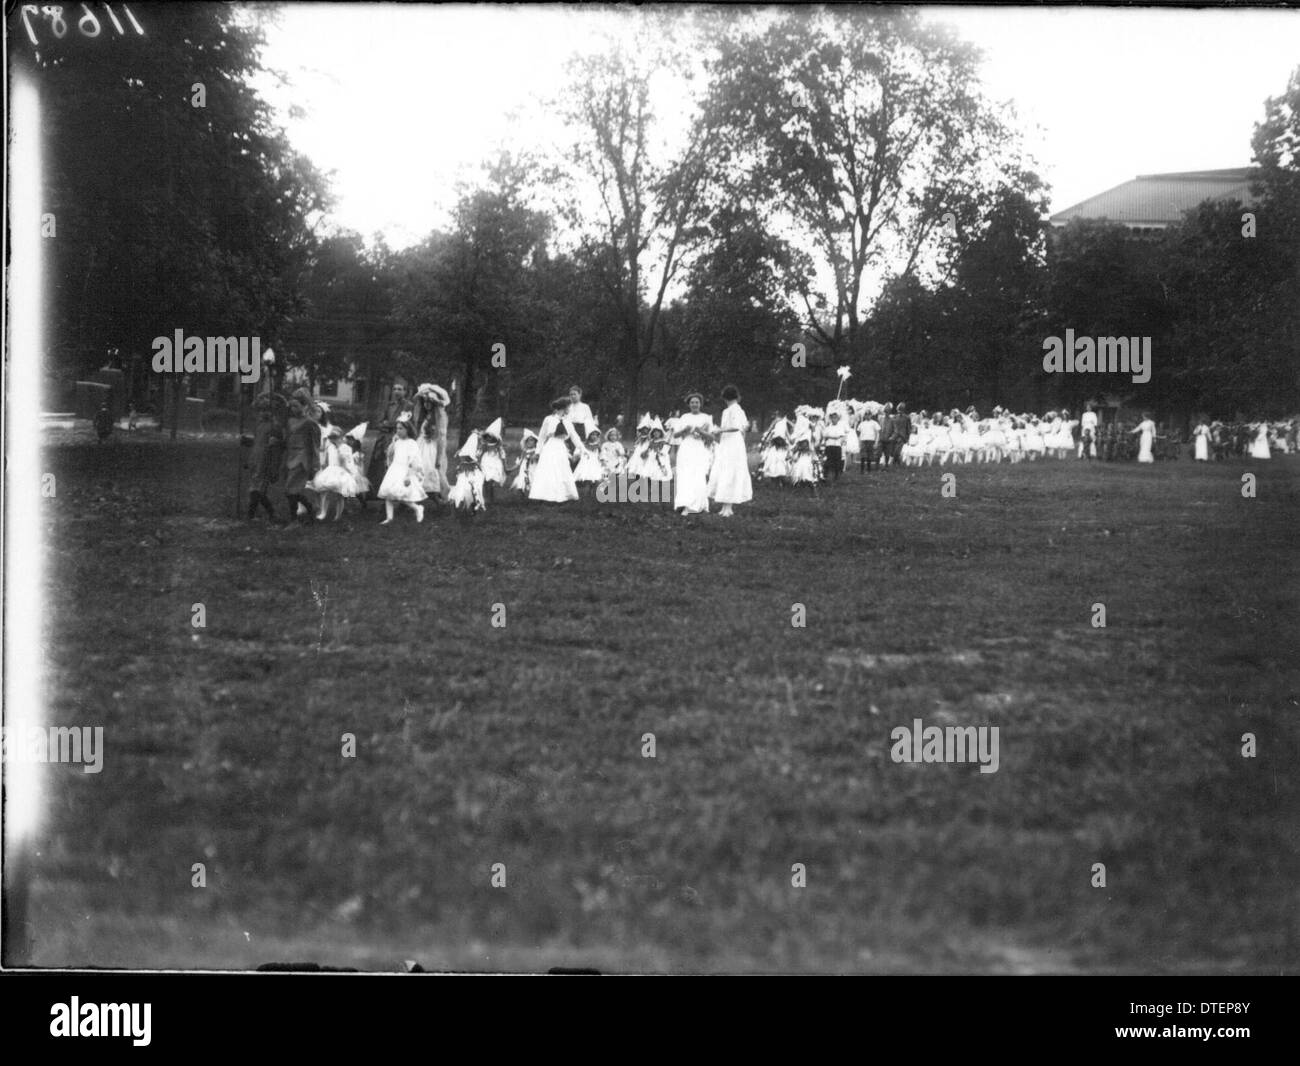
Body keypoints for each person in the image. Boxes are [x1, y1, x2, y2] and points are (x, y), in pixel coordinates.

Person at [707, 384, 753, 517]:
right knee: (726, 471)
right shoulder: (736, 410)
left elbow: (736, 427)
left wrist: (719, 430)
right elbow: (744, 427)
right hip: (730, 442)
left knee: (730, 471)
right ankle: (725, 506)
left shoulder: (733, 410)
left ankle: (728, 507)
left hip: (732, 442)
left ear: (724, 398)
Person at [367, 381, 414, 502]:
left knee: (394, 465)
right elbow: (378, 422)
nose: (397, 391)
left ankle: (395, 492)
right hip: (383, 438)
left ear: (405, 391)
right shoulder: (389, 405)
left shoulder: (408, 405)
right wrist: (387, 424)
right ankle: (378, 492)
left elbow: (405, 423)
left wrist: (388, 424)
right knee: (379, 465)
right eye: (395, 389)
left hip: (397, 438)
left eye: (400, 389)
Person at [530, 396, 582, 503]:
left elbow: (574, 437)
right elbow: (541, 437)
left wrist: (582, 449)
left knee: (561, 470)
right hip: (550, 447)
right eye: (568, 407)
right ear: (564, 407)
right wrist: (537, 452)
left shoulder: (568, 422)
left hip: (561, 448)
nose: (570, 409)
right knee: (549, 470)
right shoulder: (548, 419)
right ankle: (546, 495)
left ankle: (561, 495)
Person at [245, 393, 286, 521]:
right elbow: (257, 442)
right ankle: (259, 514)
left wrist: (274, 466)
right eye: (261, 410)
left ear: (273, 411)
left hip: (266, 461)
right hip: (256, 460)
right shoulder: (259, 425)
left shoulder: (275, 427)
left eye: (267, 410)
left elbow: (279, 447)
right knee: (254, 488)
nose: (263, 413)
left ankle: (261, 514)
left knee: (258, 489)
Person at [377, 417, 427, 523]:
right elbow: (390, 455)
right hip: (395, 469)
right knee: (388, 493)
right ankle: (389, 517)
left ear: (407, 429)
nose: (398, 431)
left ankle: (418, 508)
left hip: (404, 471)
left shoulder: (412, 443)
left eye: (400, 429)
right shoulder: (397, 442)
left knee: (401, 495)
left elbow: (412, 460)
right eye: (397, 429)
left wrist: (408, 475)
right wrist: (393, 442)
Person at [672, 392, 715, 515]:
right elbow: (675, 435)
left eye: (697, 402)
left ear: (700, 404)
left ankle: (698, 504)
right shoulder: (684, 417)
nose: (694, 404)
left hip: (699, 448)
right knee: (685, 475)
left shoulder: (706, 417)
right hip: (686, 447)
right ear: (689, 404)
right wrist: (684, 430)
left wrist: (701, 431)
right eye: (692, 402)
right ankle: (684, 503)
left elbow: (711, 437)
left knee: (698, 474)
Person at [284, 393, 322, 522]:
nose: (293, 409)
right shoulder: (290, 421)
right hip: (290, 458)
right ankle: (311, 510)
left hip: (302, 460)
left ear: (304, 406)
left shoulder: (310, 423)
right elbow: (287, 440)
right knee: (292, 491)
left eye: (296, 406)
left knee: (291, 490)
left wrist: (315, 464)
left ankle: (294, 520)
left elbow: (315, 445)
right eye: (291, 406)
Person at [310, 424, 356, 521]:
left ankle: (338, 515)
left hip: (340, 471)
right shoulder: (330, 447)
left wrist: (342, 457)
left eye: (336, 438)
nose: (333, 440)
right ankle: (323, 513)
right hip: (330, 470)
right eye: (332, 438)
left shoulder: (346, 448)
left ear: (341, 437)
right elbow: (326, 459)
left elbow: (348, 462)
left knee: (340, 496)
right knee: (325, 492)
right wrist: (323, 465)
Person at [448, 432, 487, 516]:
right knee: (464, 490)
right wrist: (475, 464)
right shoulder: (465, 452)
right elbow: (464, 462)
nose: (480, 441)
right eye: (479, 440)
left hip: (475, 473)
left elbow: (476, 460)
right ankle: (463, 509)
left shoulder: (478, 448)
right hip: (467, 473)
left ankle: (471, 509)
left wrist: (478, 465)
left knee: (475, 490)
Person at [478, 418, 507, 503]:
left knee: (491, 479)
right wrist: (478, 462)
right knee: (486, 479)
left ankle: (491, 498)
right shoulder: (485, 445)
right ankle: (487, 497)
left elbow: (502, 455)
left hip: (495, 462)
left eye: (491, 436)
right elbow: (479, 454)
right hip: (486, 461)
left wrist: (504, 465)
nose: (489, 438)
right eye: (487, 436)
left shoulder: (498, 446)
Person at [575, 428, 606, 500]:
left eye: (596, 435)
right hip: (585, 463)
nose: (594, 436)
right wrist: (577, 455)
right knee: (587, 479)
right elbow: (577, 452)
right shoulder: (583, 444)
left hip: (595, 464)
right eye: (592, 434)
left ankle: (594, 496)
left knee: (596, 479)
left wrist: (603, 461)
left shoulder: (598, 446)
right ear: (588, 435)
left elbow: (602, 455)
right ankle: (586, 496)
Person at [821, 408, 848, 480]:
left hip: (837, 445)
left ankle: (836, 475)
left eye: (835, 418)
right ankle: (825, 475)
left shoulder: (840, 427)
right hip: (829, 445)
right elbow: (825, 435)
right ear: (830, 419)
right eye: (832, 418)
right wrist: (832, 437)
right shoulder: (828, 427)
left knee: (837, 461)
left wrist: (832, 436)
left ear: (838, 419)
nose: (834, 419)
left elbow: (840, 436)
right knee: (828, 460)